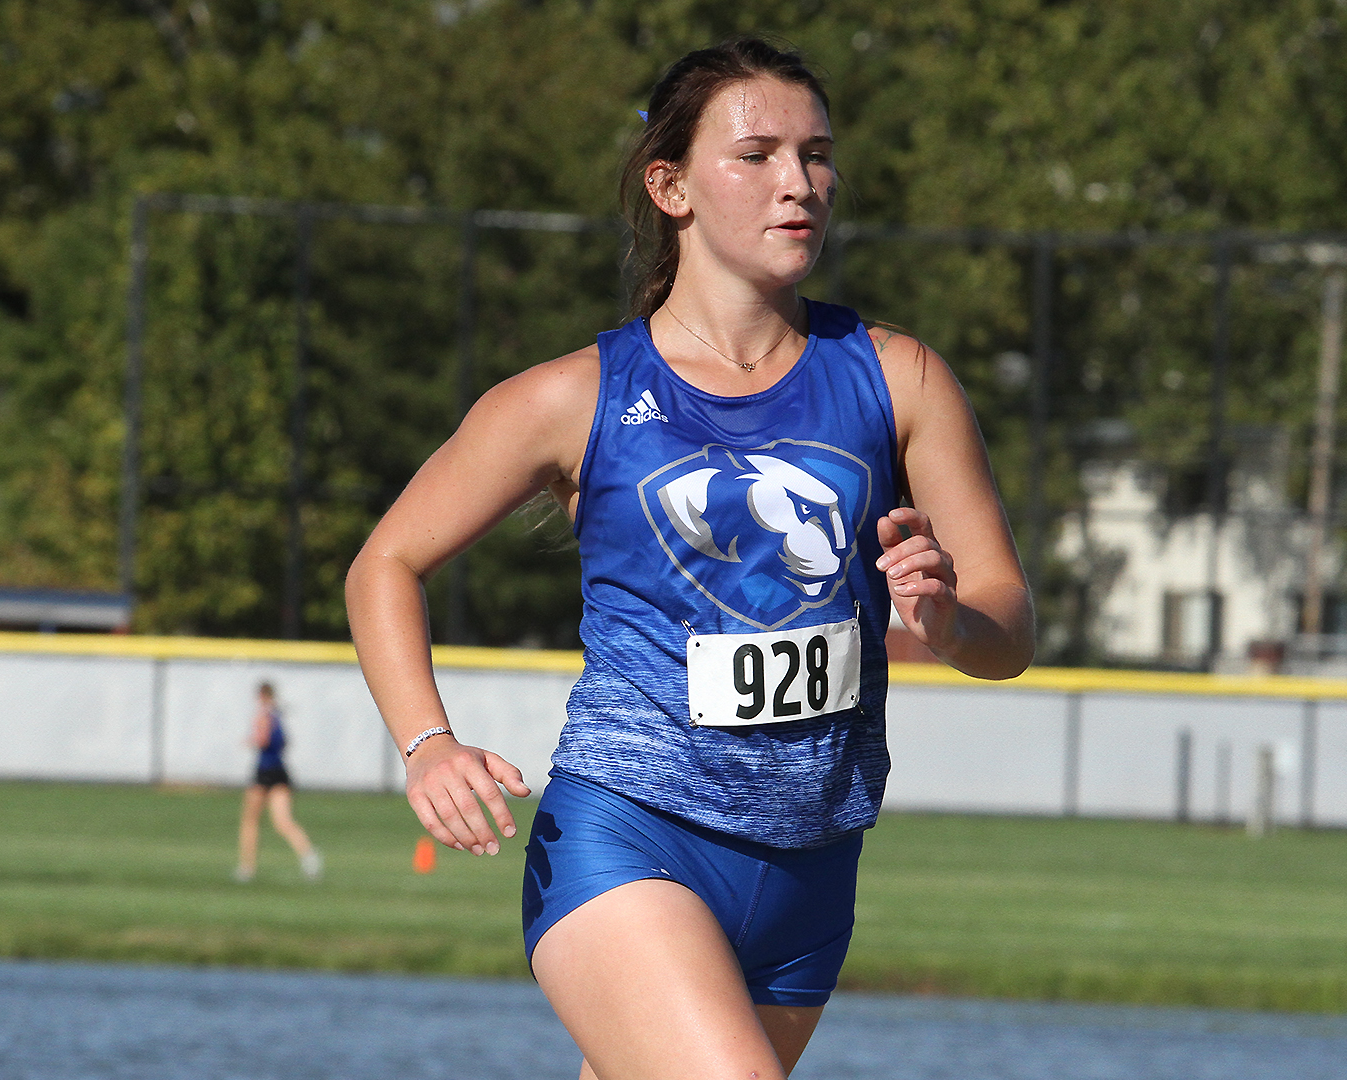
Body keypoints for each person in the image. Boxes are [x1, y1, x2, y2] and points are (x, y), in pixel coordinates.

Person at [345, 37, 1033, 1079]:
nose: (799, 182)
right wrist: (427, 745)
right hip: (628, 837)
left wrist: (946, 620)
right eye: (756, 154)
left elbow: (1007, 633)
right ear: (670, 186)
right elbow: (384, 563)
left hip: (813, 869)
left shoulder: (900, 378)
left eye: (817, 153)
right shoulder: (572, 397)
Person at [234, 681, 323, 883]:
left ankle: (246, 868)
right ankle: (309, 856)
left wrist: (250, 740)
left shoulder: (264, 716)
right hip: (280, 772)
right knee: (283, 821)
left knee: (250, 820)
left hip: (264, 772)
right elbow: (285, 743)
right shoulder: (278, 716)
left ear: (261, 696)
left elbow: (262, 740)